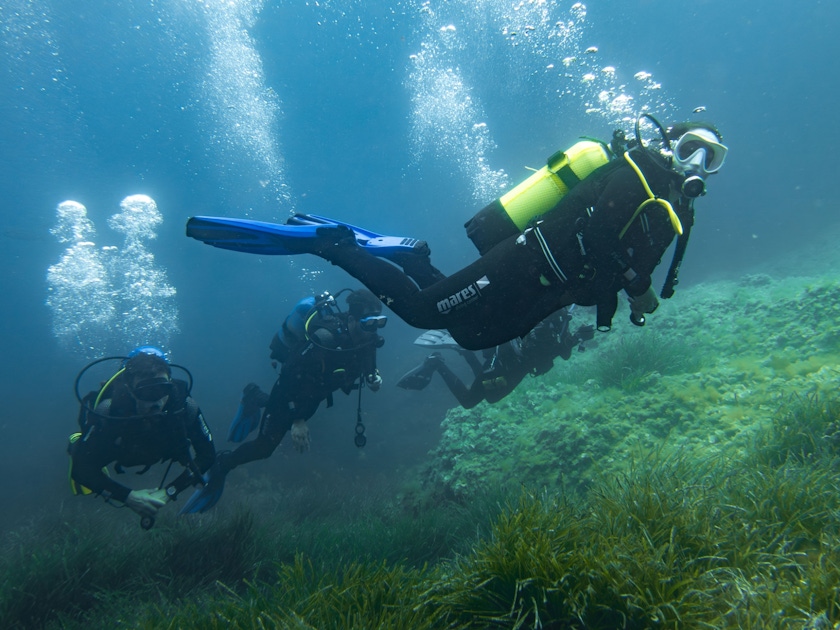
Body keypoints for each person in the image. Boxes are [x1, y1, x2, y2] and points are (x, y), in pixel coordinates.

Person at [186, 113, 727, 351]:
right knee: (424, 313)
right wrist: (637, 288)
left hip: (553, 288)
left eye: (712, 158)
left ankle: (416, 257)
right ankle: (333, 247)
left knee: (467, 335)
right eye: (690, 149)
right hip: (529, 261)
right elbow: (606, 236)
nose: (698, 163)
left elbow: (626, 257)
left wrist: (629, 296)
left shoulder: (675, 204)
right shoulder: (639, 176)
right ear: (667, 145)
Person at [181, 288, 387, 513]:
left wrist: (372, 376)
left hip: (314, 394)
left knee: (281, 417)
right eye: (368, 324)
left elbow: (368, 361)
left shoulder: (367, 338)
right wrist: (296, 419)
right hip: (290, 391)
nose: (372, 331)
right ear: (350, 318)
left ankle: (253, 395)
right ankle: (222, 464)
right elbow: (289, 376)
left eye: (379, 323)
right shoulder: (324, 338)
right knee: (264, 447)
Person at [68, 346, 215, 528]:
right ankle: (77, 441)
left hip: (159, 448)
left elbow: (207, 455)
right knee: (80, 453)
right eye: (146, 392)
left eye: (162, 389)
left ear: (170, 384)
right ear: (129, 389)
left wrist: (168, 492)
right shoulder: (108, 412)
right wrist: (128, 497)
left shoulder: (185, 407)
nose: (156, 402)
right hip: (120, 449)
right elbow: (81, 469)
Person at [397, 308, 595, 409]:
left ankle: (465, 352)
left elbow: (563, 353)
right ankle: (437, 363)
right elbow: (541, 351)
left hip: (514, 365)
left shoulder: (559, 319)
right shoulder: (546, 322)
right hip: (508, 363)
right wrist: (573, 338)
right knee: (469, 401)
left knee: (490, 395)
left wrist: (575, 337)